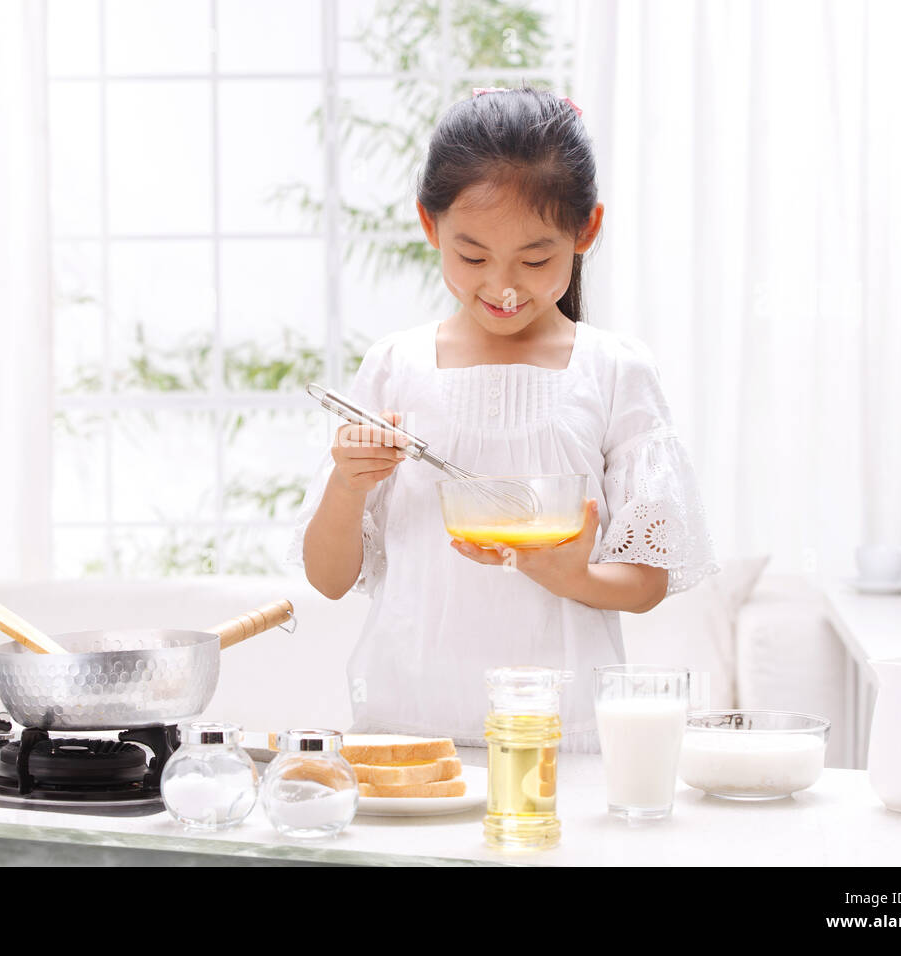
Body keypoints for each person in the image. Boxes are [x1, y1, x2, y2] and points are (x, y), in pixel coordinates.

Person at [284, 86, 720, 752]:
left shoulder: (614, 371)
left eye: (536, 259)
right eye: (474, 257)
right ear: (431, 228)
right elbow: (329, 578)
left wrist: (574, 577)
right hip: (407, 727)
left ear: (586, 231)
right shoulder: (396, 366)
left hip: (563, 734)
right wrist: (349, 484)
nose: (504, 287)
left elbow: (648, 579)